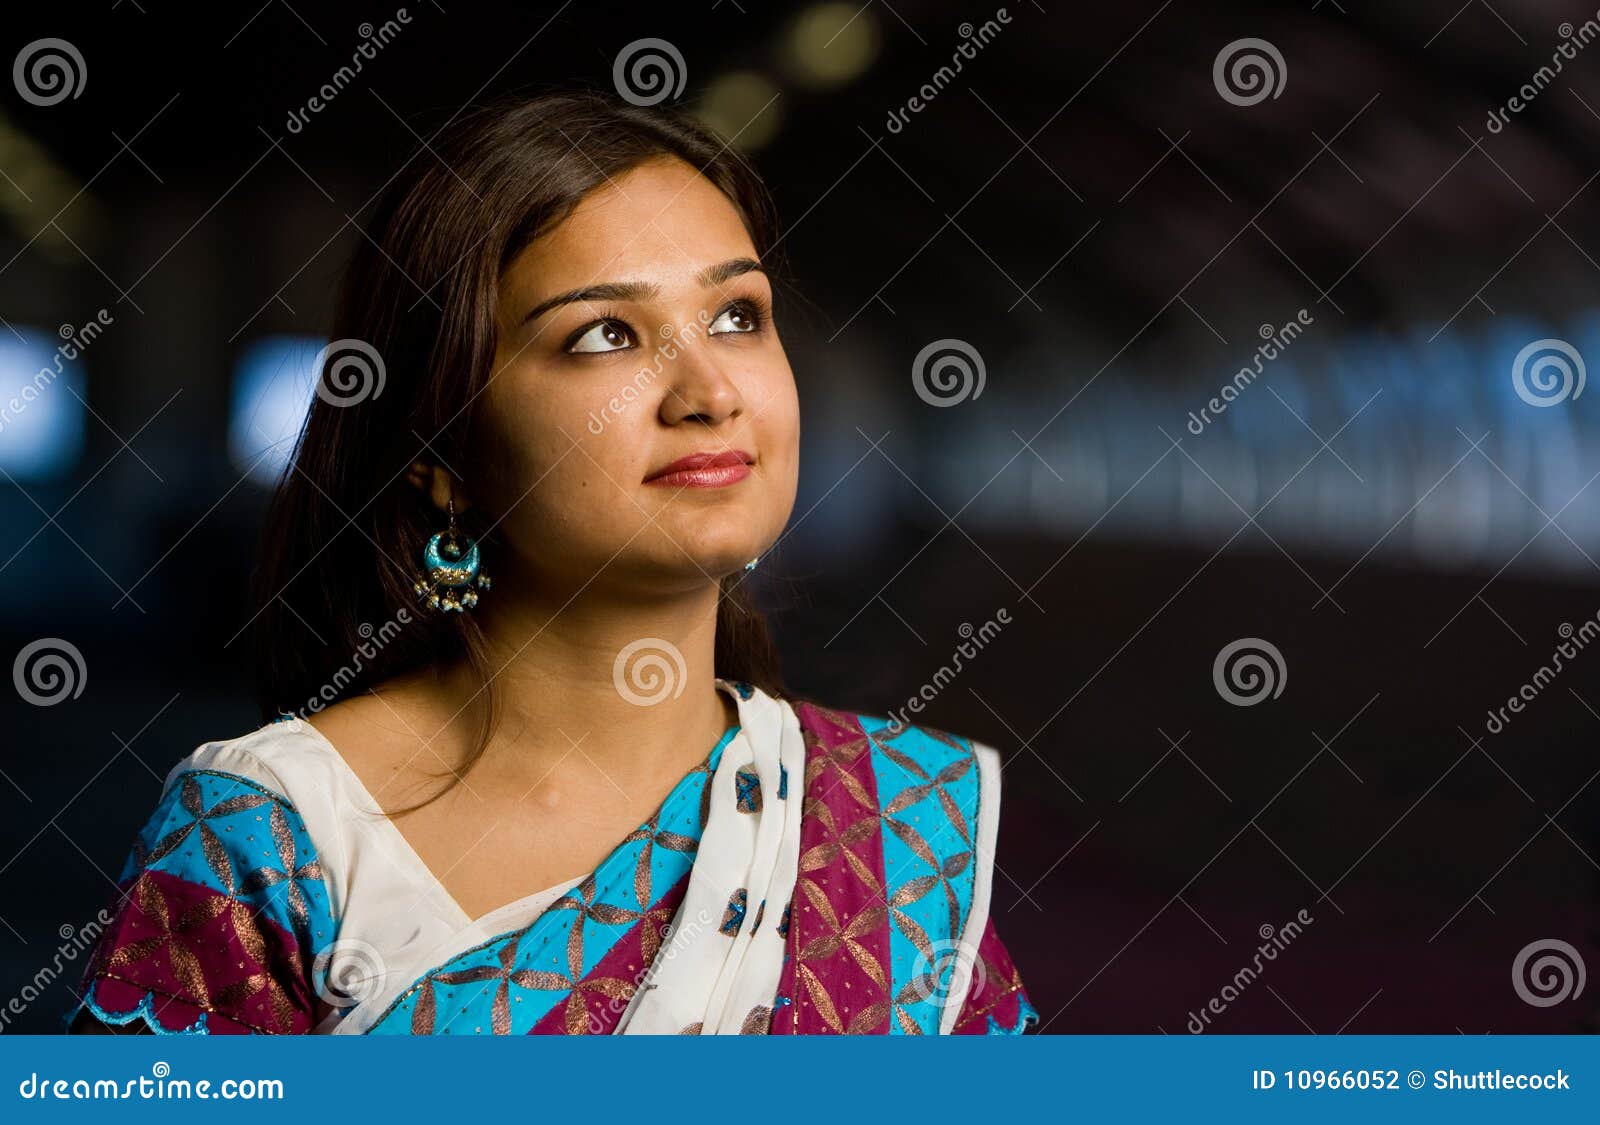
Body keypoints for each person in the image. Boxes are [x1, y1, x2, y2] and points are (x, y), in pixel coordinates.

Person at [70, 89, 1037, 1036]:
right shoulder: (279, 839)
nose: (709, 392)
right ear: (443, 453)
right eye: (605, 335)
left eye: (738, 315)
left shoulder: (902, 829)